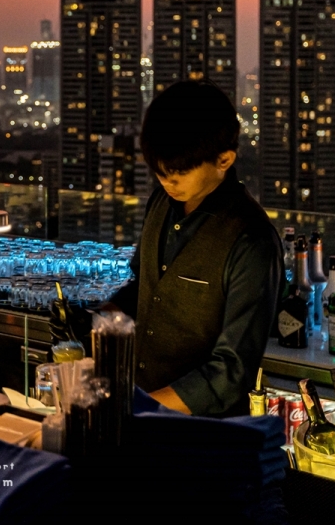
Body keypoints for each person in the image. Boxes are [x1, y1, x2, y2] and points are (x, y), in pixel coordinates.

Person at [110, 81, 281, 418]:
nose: (166, 182)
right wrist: (101, 315)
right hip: (139, 418)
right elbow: (144, 289)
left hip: (204, 436)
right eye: (159, 172)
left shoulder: (252, 240)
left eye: (178, 173)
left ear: (224, 159)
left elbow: (231, 371)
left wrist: (141, 406)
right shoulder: (161, 202)